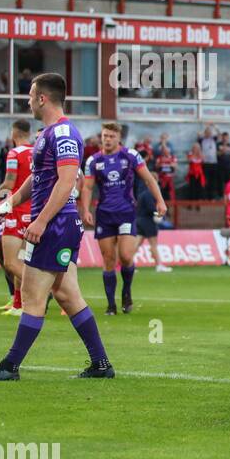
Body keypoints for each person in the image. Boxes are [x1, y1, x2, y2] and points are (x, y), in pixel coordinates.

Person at [0, 73, 114, 381]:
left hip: (56, 224)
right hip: (59, 223)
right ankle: (101, 364)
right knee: (67, 295)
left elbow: (66, 184)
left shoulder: (63, 133)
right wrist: (10, 203)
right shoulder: (47, 134)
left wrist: (40, 221)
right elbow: (35, 179)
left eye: (30, 95)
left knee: (33, 294)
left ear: (42, 99)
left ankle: (10, 367)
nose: (27, 101)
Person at [79, 122, 167, 315]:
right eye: (105, 136)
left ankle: (126, 293)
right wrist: (85, 210)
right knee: (109, 259)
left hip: (126, 213)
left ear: (119, 138)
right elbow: (86, 187)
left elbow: (149, 179)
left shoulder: (131, 155)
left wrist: (160, 201)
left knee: (126, 256)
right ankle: (111, 305)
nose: (107, 139)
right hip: (104, 215)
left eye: (111, 136)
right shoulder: (93, 161)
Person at [0, 120, 35, 315]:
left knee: (11, 262)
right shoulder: (36, 151)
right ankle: (19, 305)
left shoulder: (15, 153)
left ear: (14, 133)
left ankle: (43, 289)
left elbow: (9, 183)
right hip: (35, 210)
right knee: (22, 258)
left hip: (17, 209)